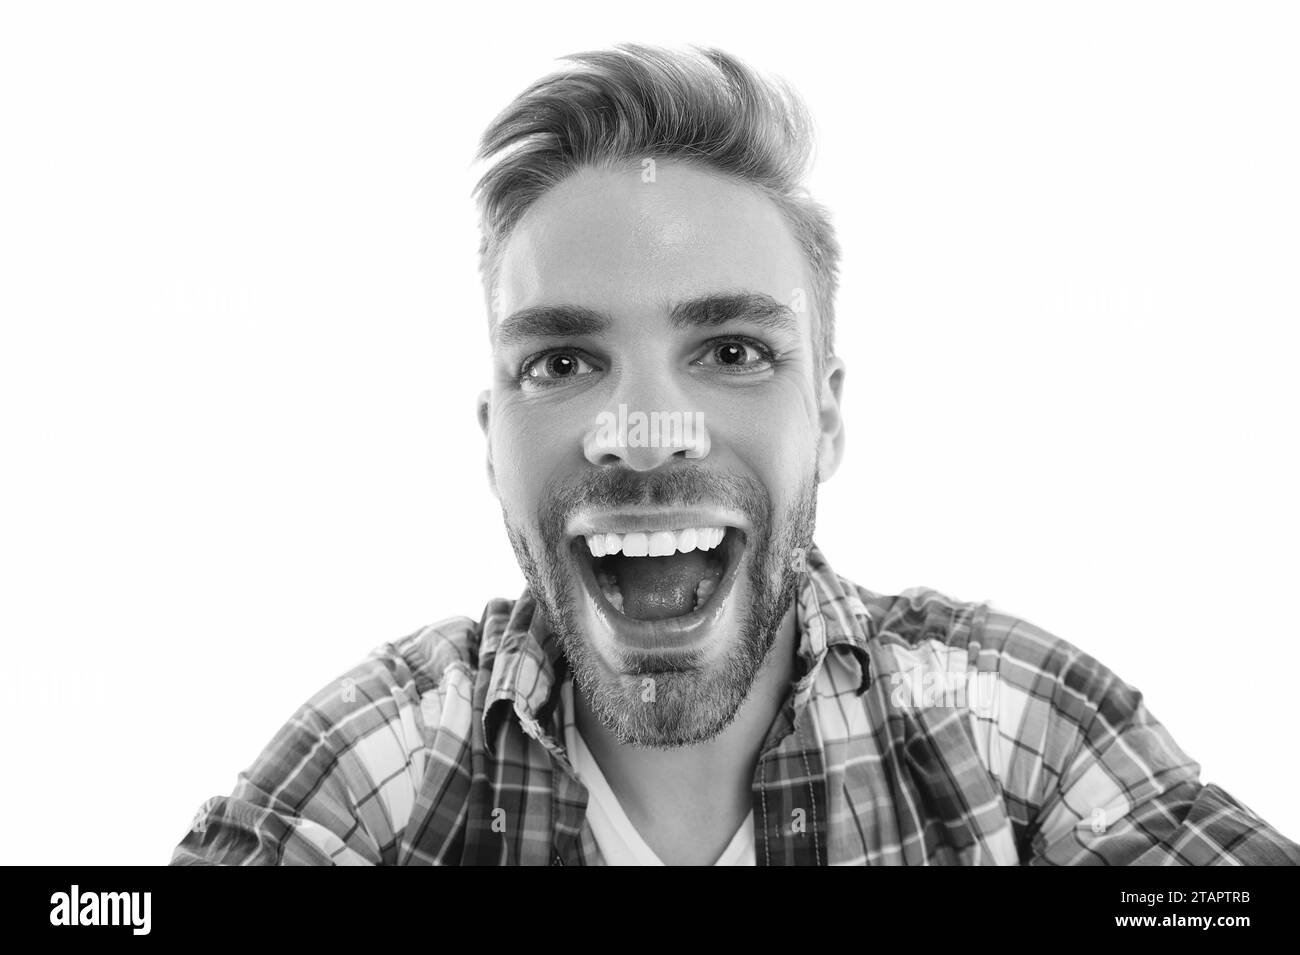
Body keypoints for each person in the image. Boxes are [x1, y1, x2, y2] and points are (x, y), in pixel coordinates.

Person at [171, 44, 1300, 866]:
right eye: (562, 363)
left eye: (730, 348)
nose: (642, 434)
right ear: (491, 443)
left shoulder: (1016, 731)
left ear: (830, 411)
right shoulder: (386, 765)